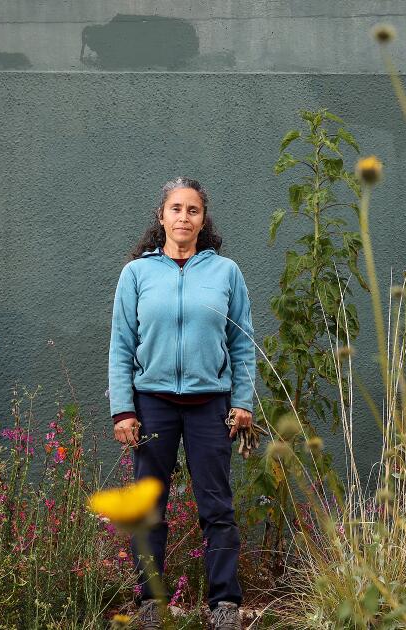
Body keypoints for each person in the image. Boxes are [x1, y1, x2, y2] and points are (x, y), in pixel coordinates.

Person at [108, 177, 256, 630]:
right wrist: (123, 410)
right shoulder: (137, 274)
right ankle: (151, 604)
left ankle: (224, 605)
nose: (184, 218)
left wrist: (243, 401)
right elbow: (121, 345)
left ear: (203, 220)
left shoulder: (226, 273)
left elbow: (243, 343)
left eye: (193, 210)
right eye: (176, 208)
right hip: (152, 404)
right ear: (162, 216)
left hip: (210, 405)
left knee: (217, 506)